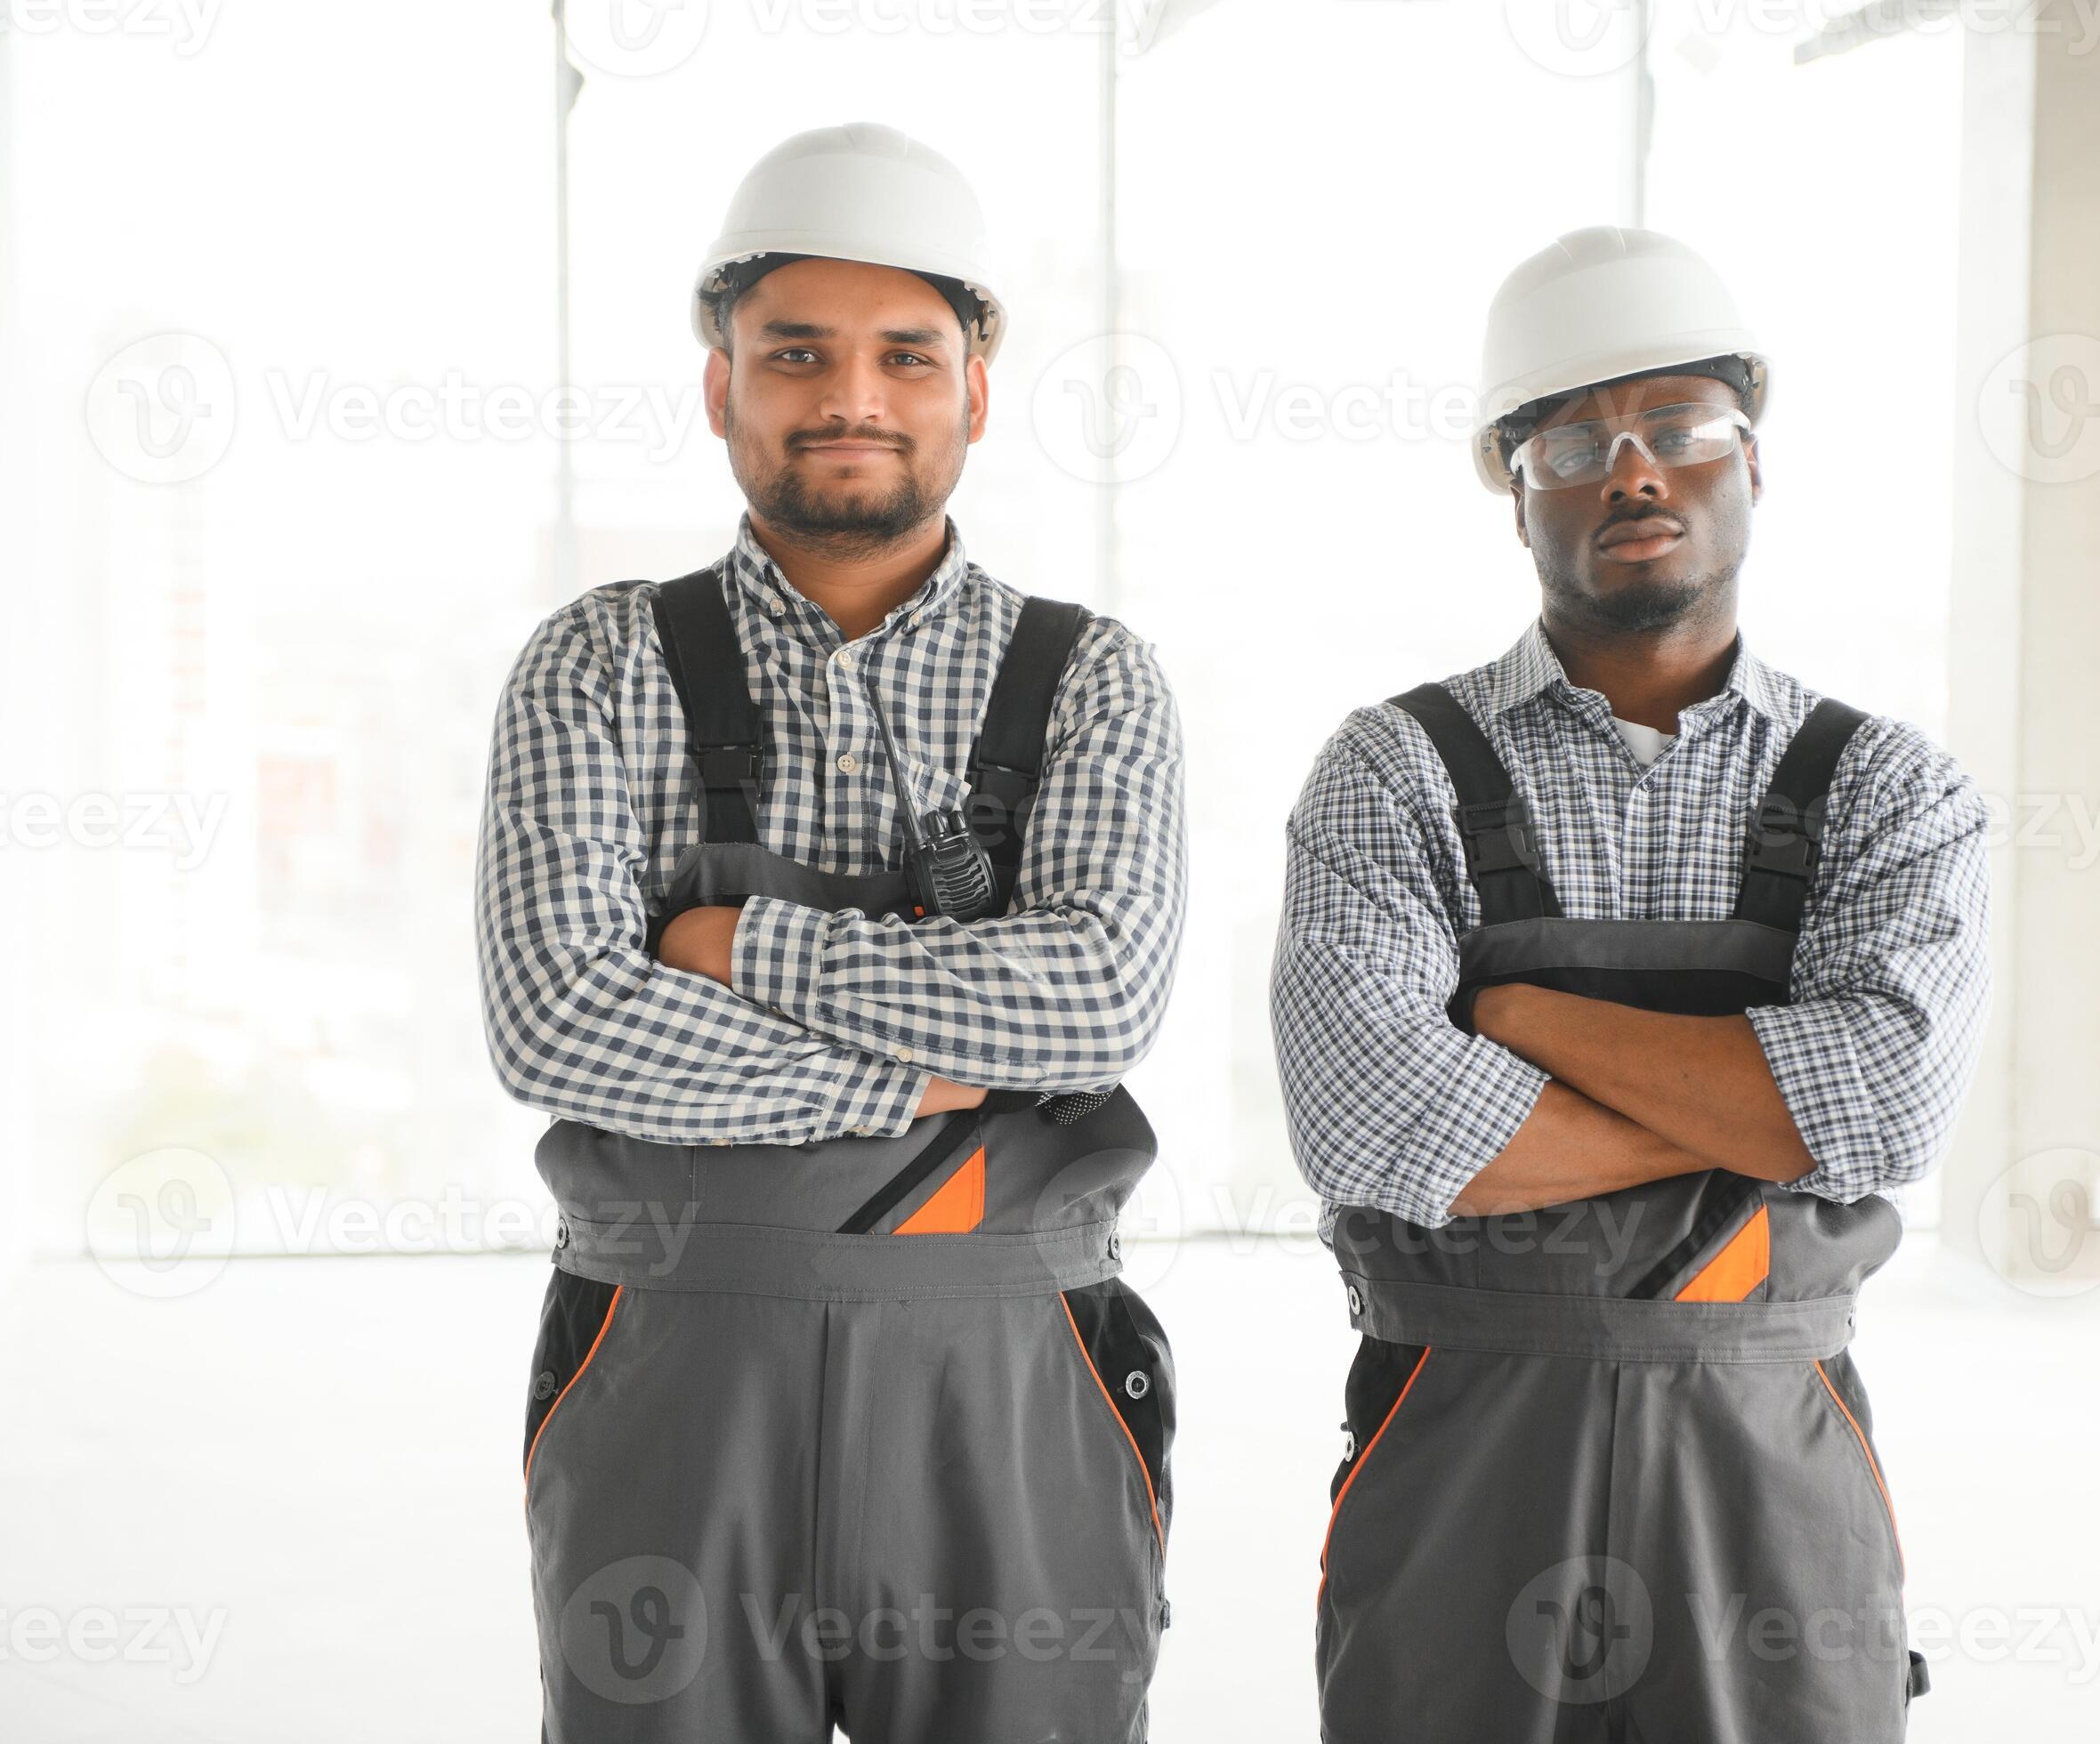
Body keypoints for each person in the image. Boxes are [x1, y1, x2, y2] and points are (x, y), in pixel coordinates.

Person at [475, 121, 1187, 1742]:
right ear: (721, 382)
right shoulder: (596, 666)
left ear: (974, 395)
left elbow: (1092, 1007)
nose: (850, 397)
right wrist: (914, 1077)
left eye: (903, 357)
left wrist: (736, 950)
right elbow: (558, 1023)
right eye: (795, 352)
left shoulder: (1089, 676)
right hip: (672, 1367)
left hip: (1014, 1378)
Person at [1272, 225, 1991, 1742]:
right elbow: (1374, 1132)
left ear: (1752, 459)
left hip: (1767, 1454)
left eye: (1679, 430)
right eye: (1574, 441)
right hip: (1459, 1433)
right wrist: (1764, 1104)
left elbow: (1887, 1110)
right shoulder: (1391, 770)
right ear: (1513, 488)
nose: (1633, 471)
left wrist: (1514, 1021)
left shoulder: (1884, 786)